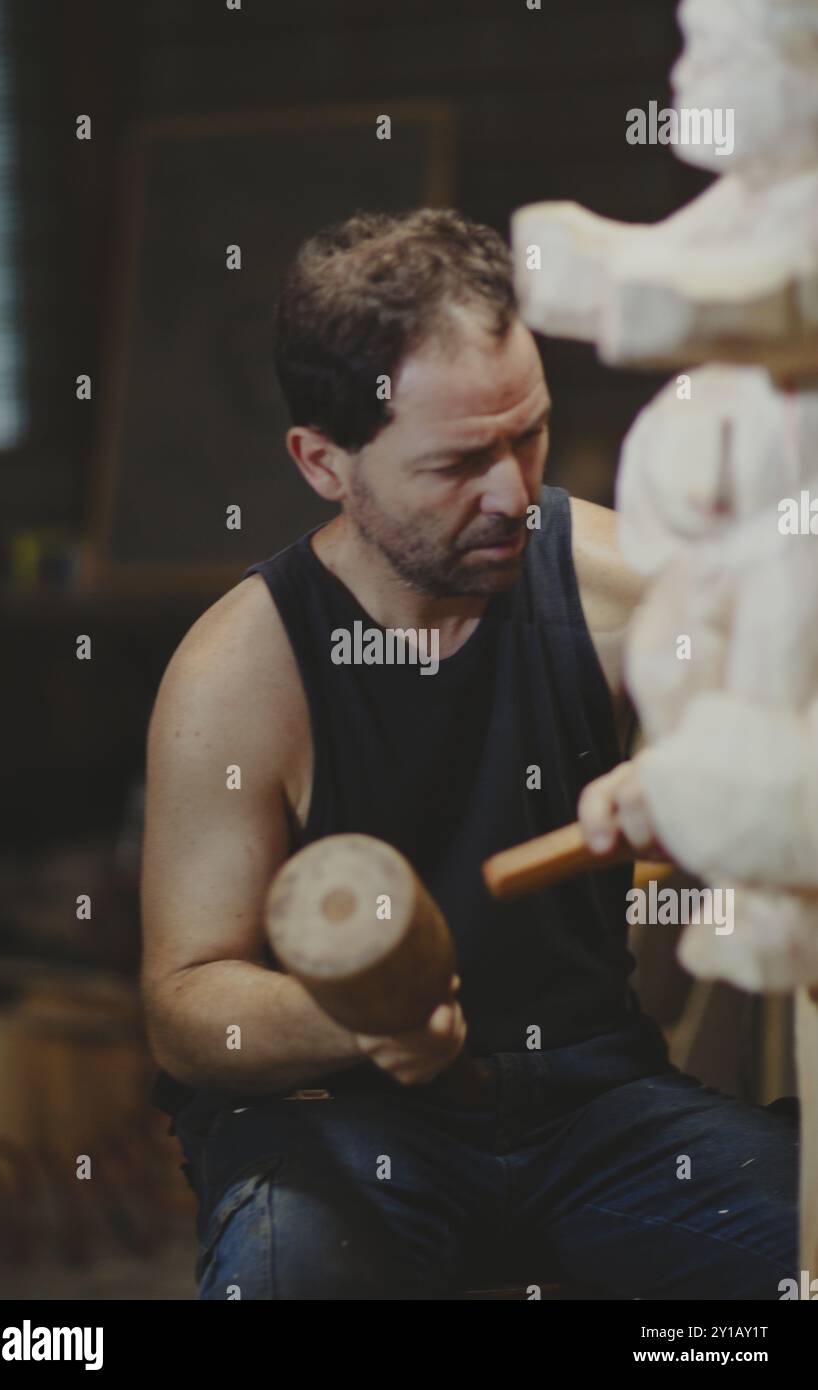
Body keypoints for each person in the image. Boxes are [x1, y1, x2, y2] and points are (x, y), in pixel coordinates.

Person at [141, 209, 798, 1300]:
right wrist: (349, 1018)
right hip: (334, 1121)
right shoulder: (237, 676)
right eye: (457, 462)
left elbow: (793, 698)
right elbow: (182, 1006)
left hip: (591, 1103)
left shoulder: (613, 583)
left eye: (525, 437)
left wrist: (714, 770)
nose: (509, 494)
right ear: (322, 462)